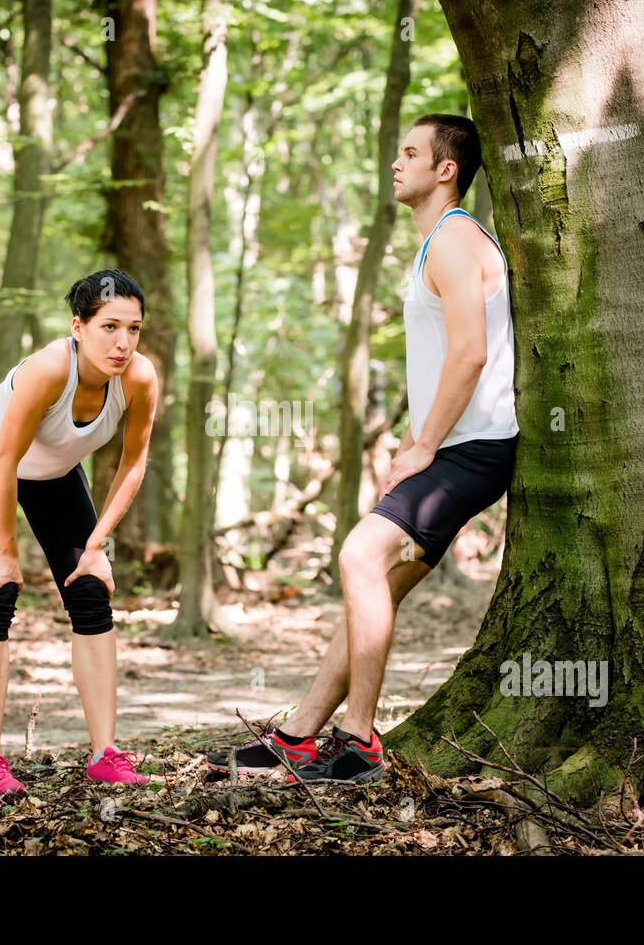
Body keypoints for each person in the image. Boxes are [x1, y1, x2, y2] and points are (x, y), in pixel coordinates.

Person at [207, 113, 519, 784]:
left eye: (411, 153)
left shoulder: (455, 241)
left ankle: (359, 741)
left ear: (447, 170)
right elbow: (441, 361)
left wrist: (425, 445)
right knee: (369, 586)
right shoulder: (435, 241)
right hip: (450, 448)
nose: (395, 163)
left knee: (357, 554)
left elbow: (471, 352)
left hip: (475, 449)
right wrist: (411, 443)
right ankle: (297, 737)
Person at [0, 269, 158, 797]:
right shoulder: (46, 371)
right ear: (78, 327)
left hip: (55, 473)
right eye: (110, 326)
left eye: (133, 329)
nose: (123, 342)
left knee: (89, 590)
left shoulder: (139, 379)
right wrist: (8, 554)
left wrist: (95, 547)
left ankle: (105, 753)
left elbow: (133, 465)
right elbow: (4, 463)